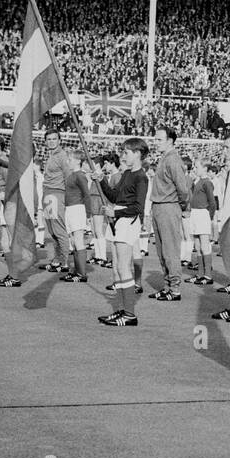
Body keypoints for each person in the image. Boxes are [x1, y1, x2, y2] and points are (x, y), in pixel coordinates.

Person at [97, 139, 148, 327]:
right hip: (119, 220)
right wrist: (101, 180)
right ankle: (121, 309)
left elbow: (138, 207)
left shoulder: (141, 177)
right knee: (118, 267)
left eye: (126, 152)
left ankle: (129, 314)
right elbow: (114, 196)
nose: (123, 155)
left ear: (137, 154)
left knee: (124, 267)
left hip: (128, 220)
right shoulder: (126, 173)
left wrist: (115, 212)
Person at [148, 125, 191, 301]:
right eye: (155, 139)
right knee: (161, 250)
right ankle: (167, 286)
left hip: (168, 206)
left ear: (170, 141)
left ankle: (174, 288)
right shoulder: (164, 158)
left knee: (170, 249)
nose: (156, 142)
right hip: (158, 206)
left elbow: (183, 188)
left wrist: (183, 206)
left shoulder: (173, 160)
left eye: (159, 139)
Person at [38, 128, 71, 274]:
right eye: (49, 139)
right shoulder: (50, 155)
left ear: (59, 140)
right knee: (51, 230)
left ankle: (64, 262)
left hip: (57, 194)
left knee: (59, 229)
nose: (51, 141)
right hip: (47, 193)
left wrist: (67, 197)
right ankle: (56, 259)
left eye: (54, 139)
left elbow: (68, 177)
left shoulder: (62, 156)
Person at [185, 158, 217, 287]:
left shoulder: (207, 183)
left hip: (202, 213)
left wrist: (208, 216)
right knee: (197, 246)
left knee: (204, 245)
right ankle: (200, 273)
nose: (194, 169)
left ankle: (208, 275)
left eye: (197, 167)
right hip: (195, 214)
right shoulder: (196, 181)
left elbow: (212, 202)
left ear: (205, 168)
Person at [60, 152, 92, 283]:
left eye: (71, 159)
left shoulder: (80, 175)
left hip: (77, 208)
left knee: (78, 240)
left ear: (78, 161)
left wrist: (88, 215)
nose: (69, 161)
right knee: (73, 241)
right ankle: (76, 271)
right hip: (70, 209)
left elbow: (87, 195)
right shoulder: (72, 175)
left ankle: (82, 274)